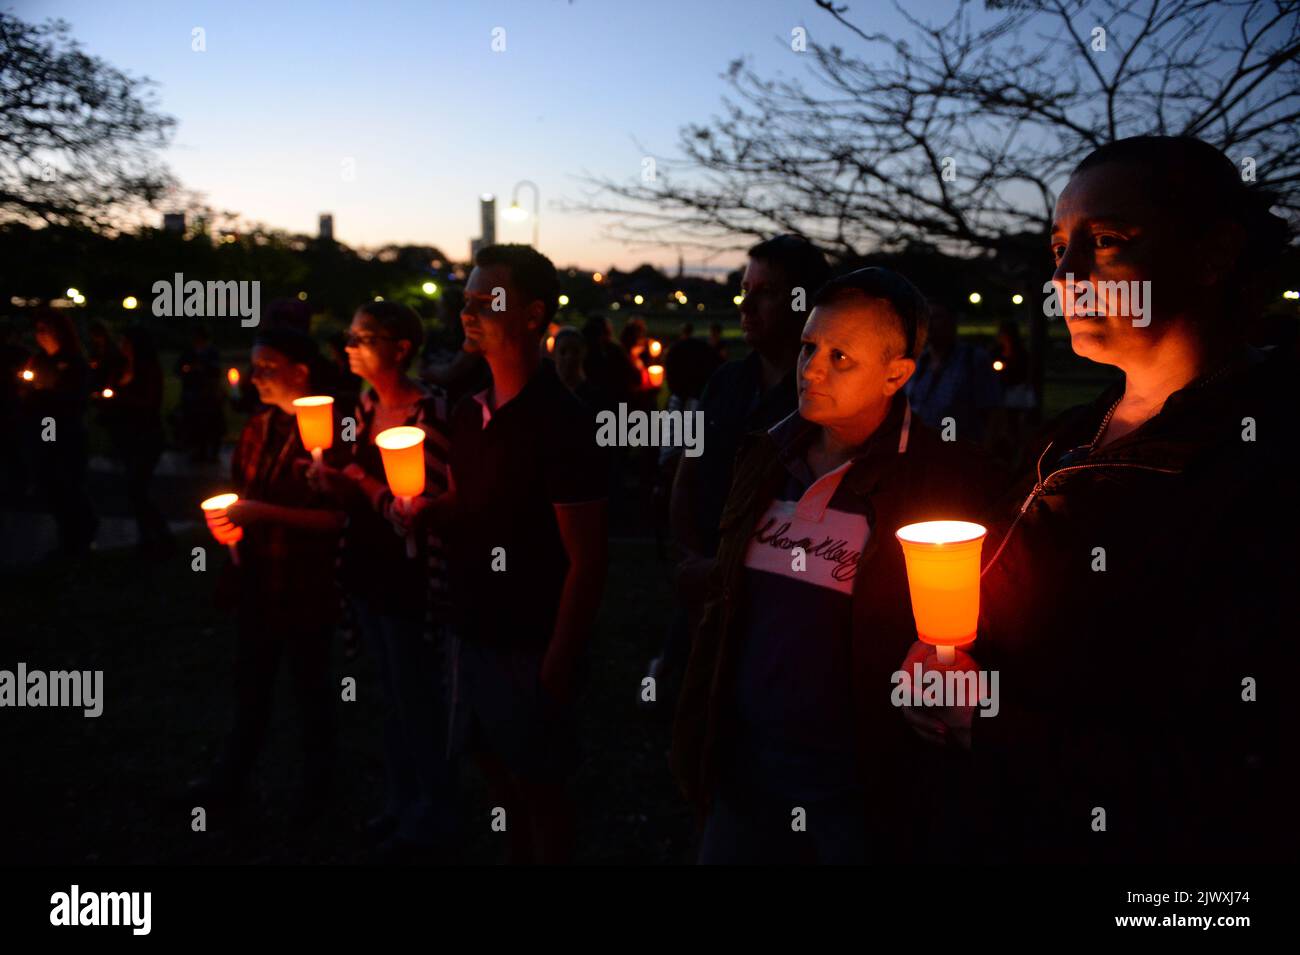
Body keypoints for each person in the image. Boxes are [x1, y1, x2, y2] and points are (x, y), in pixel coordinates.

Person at [902, 135, 1299, 863]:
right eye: (1058, 249)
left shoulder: (1262, 472)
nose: (1066, 275)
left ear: (1213, 256)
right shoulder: (1071, 440)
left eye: (1106, 242)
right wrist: (946, 646)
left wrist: (987, 722)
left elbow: (1236, 776)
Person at [671, 267, 1002, 864]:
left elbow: (989, 613)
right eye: (808, 348)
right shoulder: (768, 453)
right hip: (744, 773)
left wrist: (955, 665)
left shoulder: (941, 482)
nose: (812, 368)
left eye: (840, 357)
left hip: (858, 790)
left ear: (896, 373)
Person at [405, 244, 608, 864]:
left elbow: (589, 560)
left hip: (529, 642)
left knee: (540, 790)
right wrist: (422, 509)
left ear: (532, 314)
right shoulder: (471, 413)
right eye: (463, 301)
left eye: (485, 300)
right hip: (471, 630)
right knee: (494, 775)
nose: (467, 313)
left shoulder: (563, 423)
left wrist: (557, 663)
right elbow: (468, 505)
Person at [311, 301, 457, 861]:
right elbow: (363, 488)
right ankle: (403, 803)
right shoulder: (365, 405)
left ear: (400, 347)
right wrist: (331, 481)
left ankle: (436, 815)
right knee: (390, 695)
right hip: (368, 567)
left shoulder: (433, 412)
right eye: (347, 335)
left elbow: (432, 503)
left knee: (418, 696)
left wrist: (363, 489)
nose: (348, 345)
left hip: (414, 575)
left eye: (362, 336)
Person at [659, 236, 832, 689]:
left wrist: (726, 573)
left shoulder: (820, 400)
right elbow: (686, 473)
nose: (746, 304)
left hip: (772, 605)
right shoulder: (725, 381)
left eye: (766, 292)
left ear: (804, 303)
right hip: (702, 582)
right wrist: (692, 557)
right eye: (744, 288)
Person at [189, 326, 345, 825]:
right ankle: (231, 776)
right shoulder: (258, 427)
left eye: (267, 367)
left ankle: (320, 788)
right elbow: (241, 494)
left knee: (312, 687)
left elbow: (337, 520)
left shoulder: (329, 430)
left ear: (300, 372)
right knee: (250, 682)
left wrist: (263, 514)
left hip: (307, 584)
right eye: (253, 366)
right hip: (258, 581)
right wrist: (231, 525)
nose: (255, 376)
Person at [20, 308, 96, 558]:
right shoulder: (40, 360)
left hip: (66, 433)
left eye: (46, 329)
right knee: (51, 484)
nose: (40, 335)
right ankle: (67, 537)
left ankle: (80, 537)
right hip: (44, 432)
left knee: (69, 484)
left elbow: (73, 400)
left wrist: (43, 396)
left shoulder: (73, 362)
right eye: (38, 330)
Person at [101, 327, 174, 558]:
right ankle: (148, 538)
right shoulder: (120, 368)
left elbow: (149, 403)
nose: (122, 346)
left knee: (137, 488)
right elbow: (110, 391)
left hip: (147, 437)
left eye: (126, 342)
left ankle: (162, 537)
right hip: (126, 438)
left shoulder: (149, 371)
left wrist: (121, 398)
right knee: (135, 491)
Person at [904, 304, 1001, 444]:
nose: (930, 323)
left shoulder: (973, 360)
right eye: (926, 318)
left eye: (937, 318)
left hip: (960, 451)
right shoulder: (918, 363)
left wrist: (985, 451)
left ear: (952, 322)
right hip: (920, 451)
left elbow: (992, 411)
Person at [175, 325, 225, 461]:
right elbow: (178, 369)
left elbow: (216, 370)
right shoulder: (188, 352)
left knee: (211, 422)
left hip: (208, 393)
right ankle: (198, 450)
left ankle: (211, 451)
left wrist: (203, 368)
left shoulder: (212, 352)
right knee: (195, 422)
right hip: (192, 392)